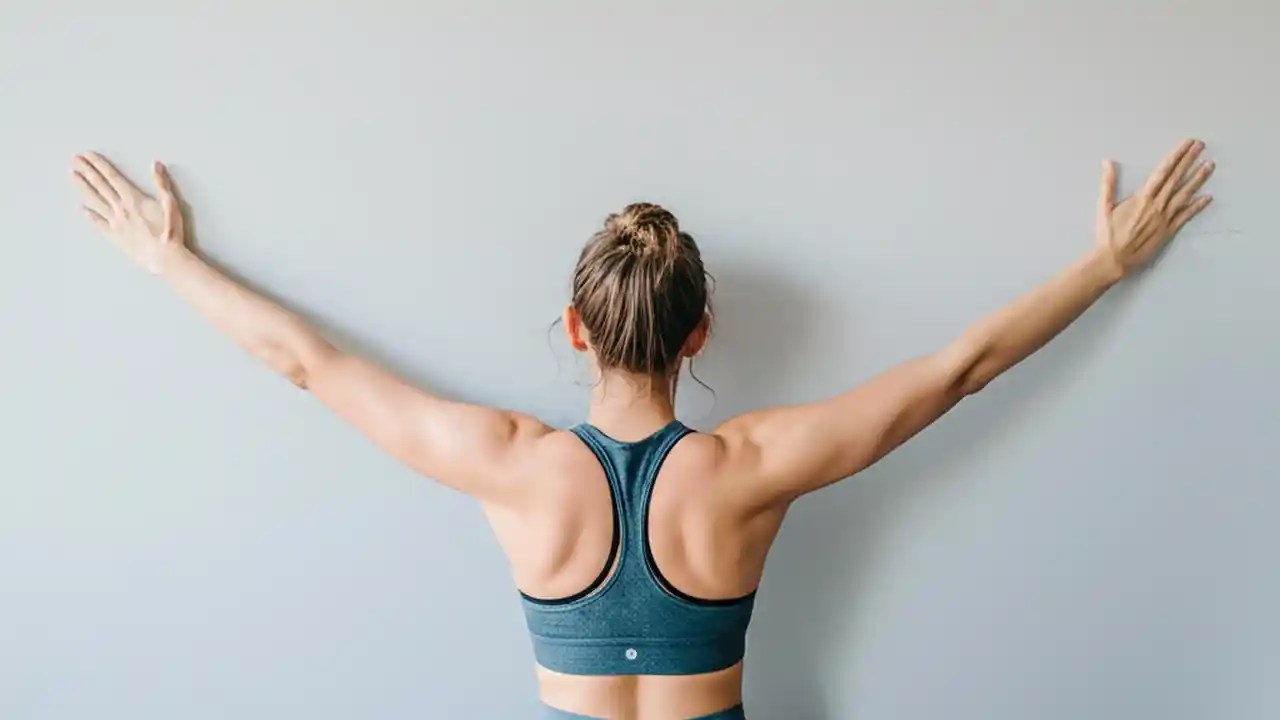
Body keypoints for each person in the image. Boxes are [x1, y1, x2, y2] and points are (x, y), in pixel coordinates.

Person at [70, 138, 1214, 720]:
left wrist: (163, 258)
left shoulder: (508, 466)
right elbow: (960, 371)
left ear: (575, 327)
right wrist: (1103, 264)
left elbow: (305, 364)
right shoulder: (747, 469)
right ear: (700, 332)